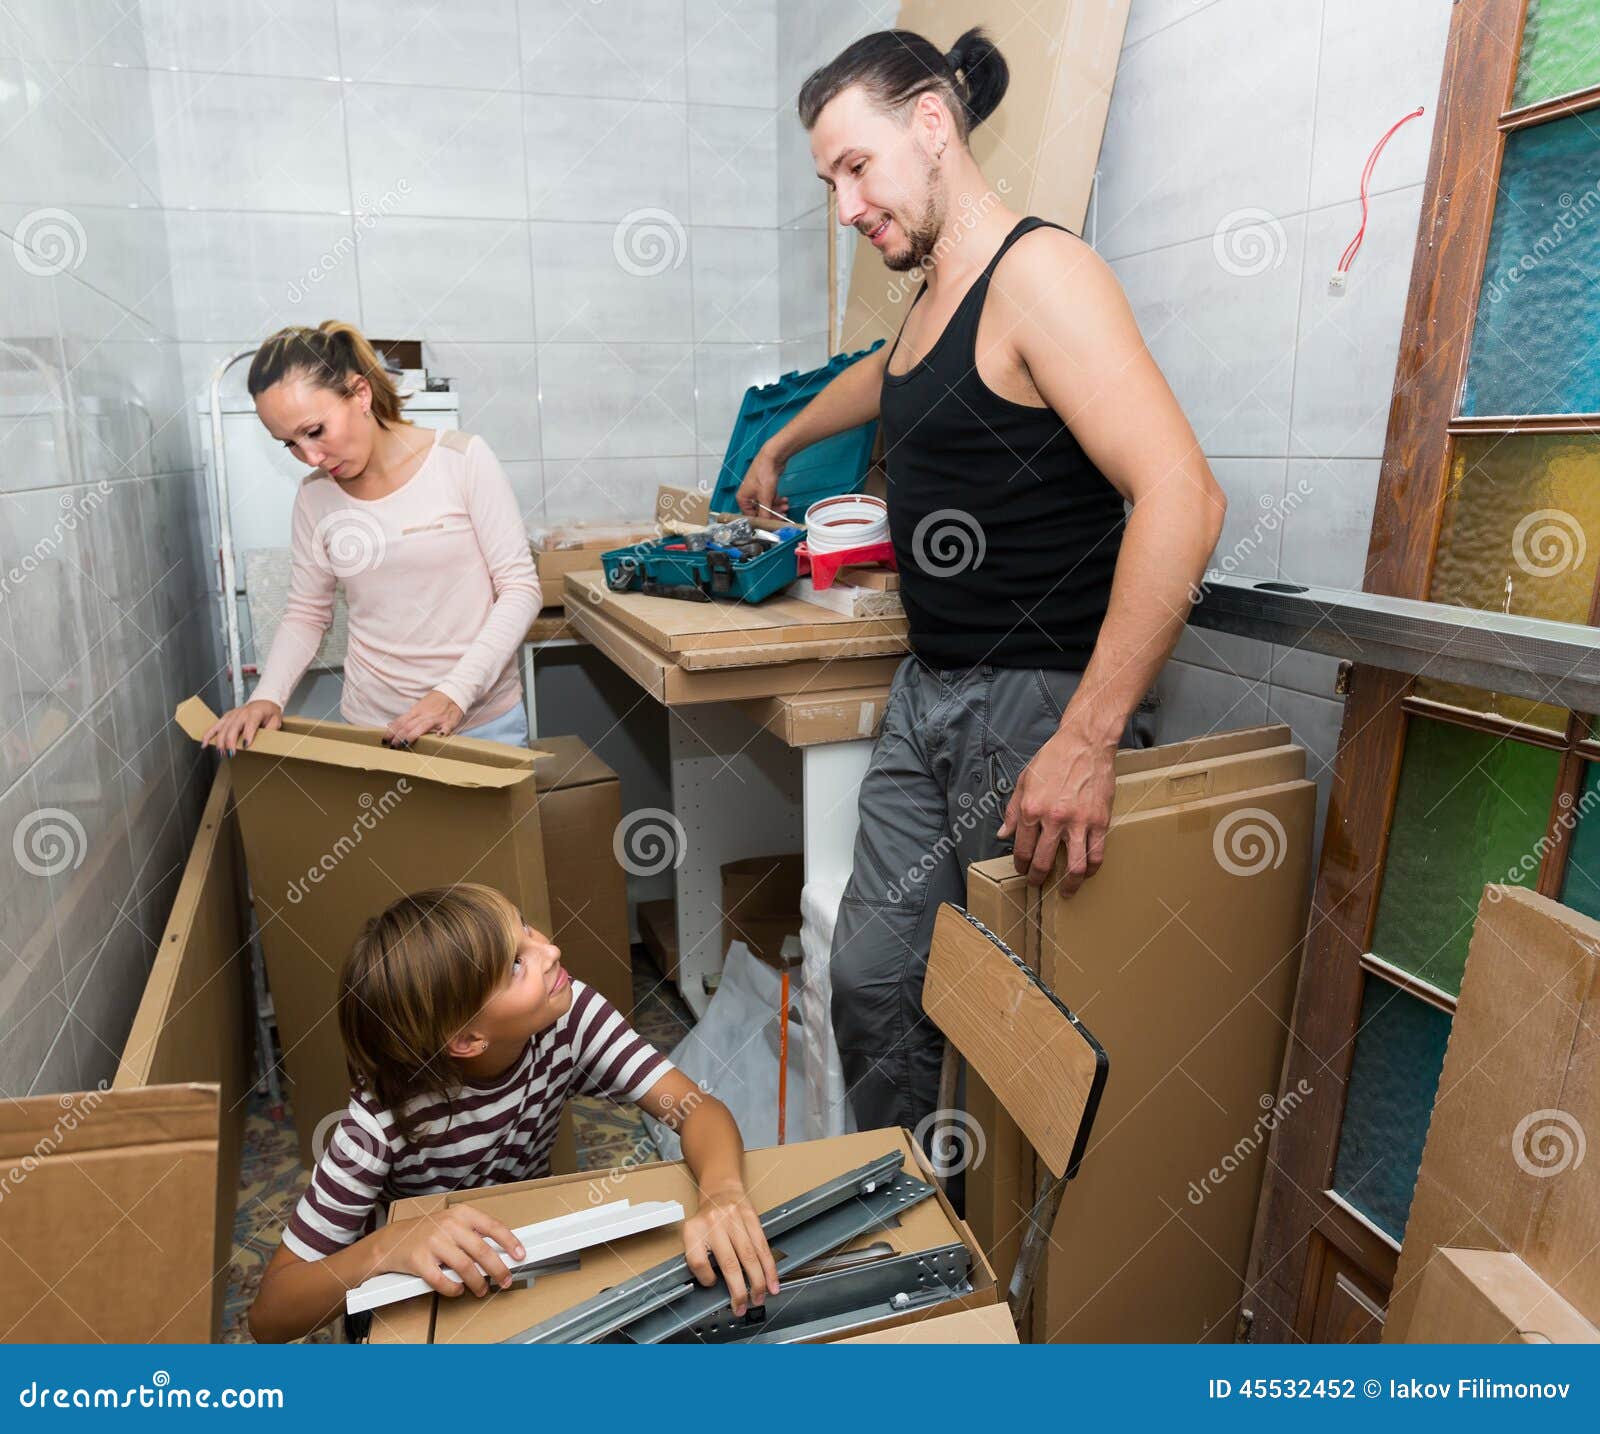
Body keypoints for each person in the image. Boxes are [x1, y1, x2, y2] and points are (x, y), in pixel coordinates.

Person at [738, 30, 1227, 1135]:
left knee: (1017, 1028)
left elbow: (1183, 499)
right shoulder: (934, 299)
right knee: (870, 981)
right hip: (931, 693)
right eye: (828, 183)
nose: (845, 206)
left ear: (930, 123)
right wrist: (781, 440)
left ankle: (993, 1240)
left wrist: (1088, 737)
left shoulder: (1041, 276)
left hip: (1034, 703)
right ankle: (915, 1212)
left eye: (855, 168)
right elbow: (885, 380)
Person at [248, 884, 777, 1343]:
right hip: (416, 1297)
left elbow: (697, 1109)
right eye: (515, 965)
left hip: (523, 1253)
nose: (551, 950)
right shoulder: (376, 1124)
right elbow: (269, 1315)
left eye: (526, 928)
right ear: (467, 1039)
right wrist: (386, 1245)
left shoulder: (571, 1016)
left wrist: (723, 1193)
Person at [202, 320, 540, 755]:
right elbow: (307, 613)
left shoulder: (461, 460)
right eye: (289, 443)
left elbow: (520, 589)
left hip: (481, 724)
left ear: (360, 394)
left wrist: (455, 693)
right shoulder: (314, 497)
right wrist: (267, 696)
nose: (311, 456)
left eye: (314, 430)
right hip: (374, 731)